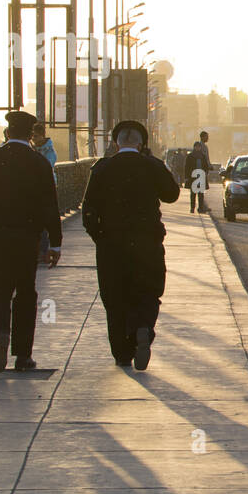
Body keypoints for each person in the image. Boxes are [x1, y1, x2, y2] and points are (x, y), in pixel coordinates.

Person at [0, 110, 62, 372]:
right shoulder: (40, 164)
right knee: (26, 293)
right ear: (31, 135)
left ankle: (1, 331)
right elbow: (50, 207)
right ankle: (23, 355)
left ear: (7, 133)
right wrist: (54, 243)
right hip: (28, 239)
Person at [82, 120, 181, 369]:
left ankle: (122, 353)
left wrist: (100, 237)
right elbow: (171, 195)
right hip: (148, 243)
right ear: (141, 143)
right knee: (148, 290)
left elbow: (88, 210)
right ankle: (143, 328)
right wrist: (155, 165)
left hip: (111, 246)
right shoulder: (152, 165)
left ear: (116, 143)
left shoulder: (102, 168)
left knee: (114, 297)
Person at [31, 121, 58, 261]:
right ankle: (37, 249)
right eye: (32, 136)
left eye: (35, 136)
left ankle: (43, 250)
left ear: (42, 136)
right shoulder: (31, 149)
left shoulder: (49, 151)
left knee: (43, 220)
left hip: (46, 188)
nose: (33, 139)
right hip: (33, 189)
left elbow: (46, 168)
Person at [184, 131, 210, 213]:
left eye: (199, 147)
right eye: (196, 147)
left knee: (201, 194)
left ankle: (201, 208)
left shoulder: (202, 156)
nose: (198, 148)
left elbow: (205, 166)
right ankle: (192, 208)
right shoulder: (190, 156)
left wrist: (206, 172)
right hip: (193, 177)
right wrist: (187, 177)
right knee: (193, 194)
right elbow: (187, 167)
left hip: (201, 176)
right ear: (194, 147)